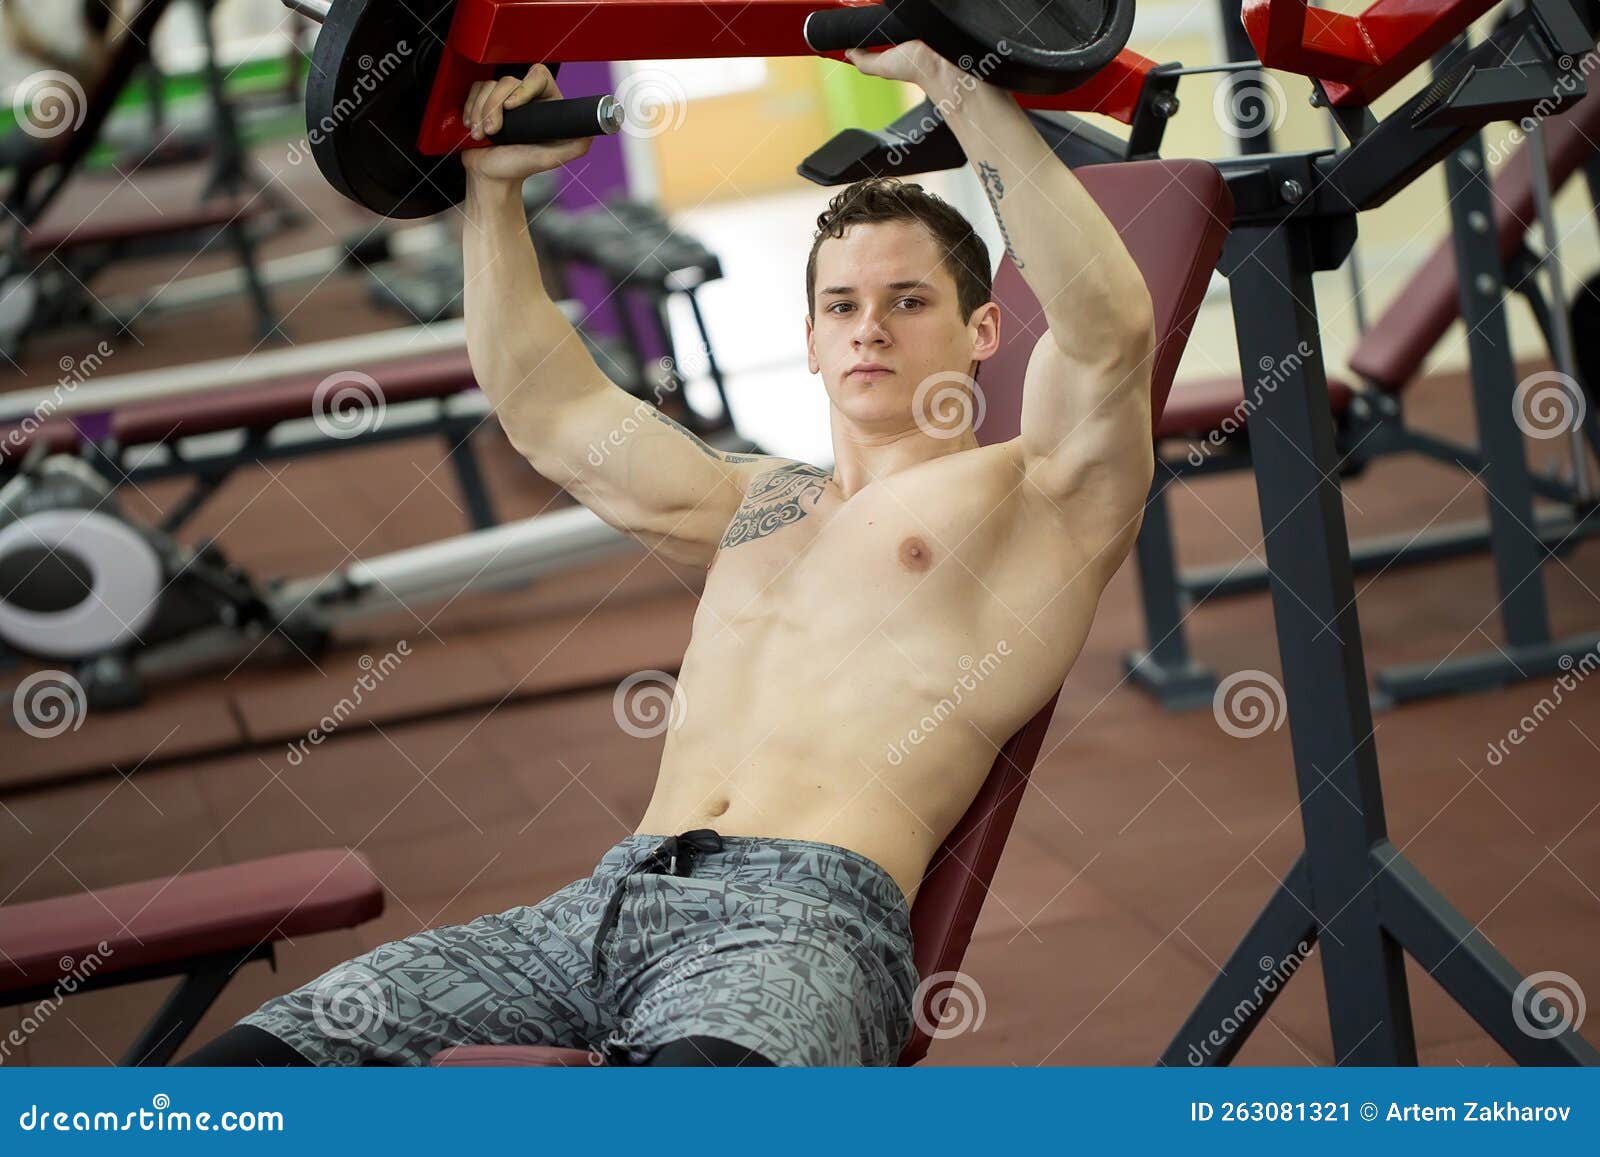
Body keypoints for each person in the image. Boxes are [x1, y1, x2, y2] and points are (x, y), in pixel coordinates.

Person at [180, 40, 1155, 1068]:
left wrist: (958, 82)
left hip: (796, 928)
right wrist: (490, 190)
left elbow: (1110, 336)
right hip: (597, 906)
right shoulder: (753, 499)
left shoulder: (1032, 495)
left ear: (984, 329)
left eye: (908, 301)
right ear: (813, 339)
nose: (869, 328)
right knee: (249, 1070)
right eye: (841, 306)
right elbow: (548, 413)